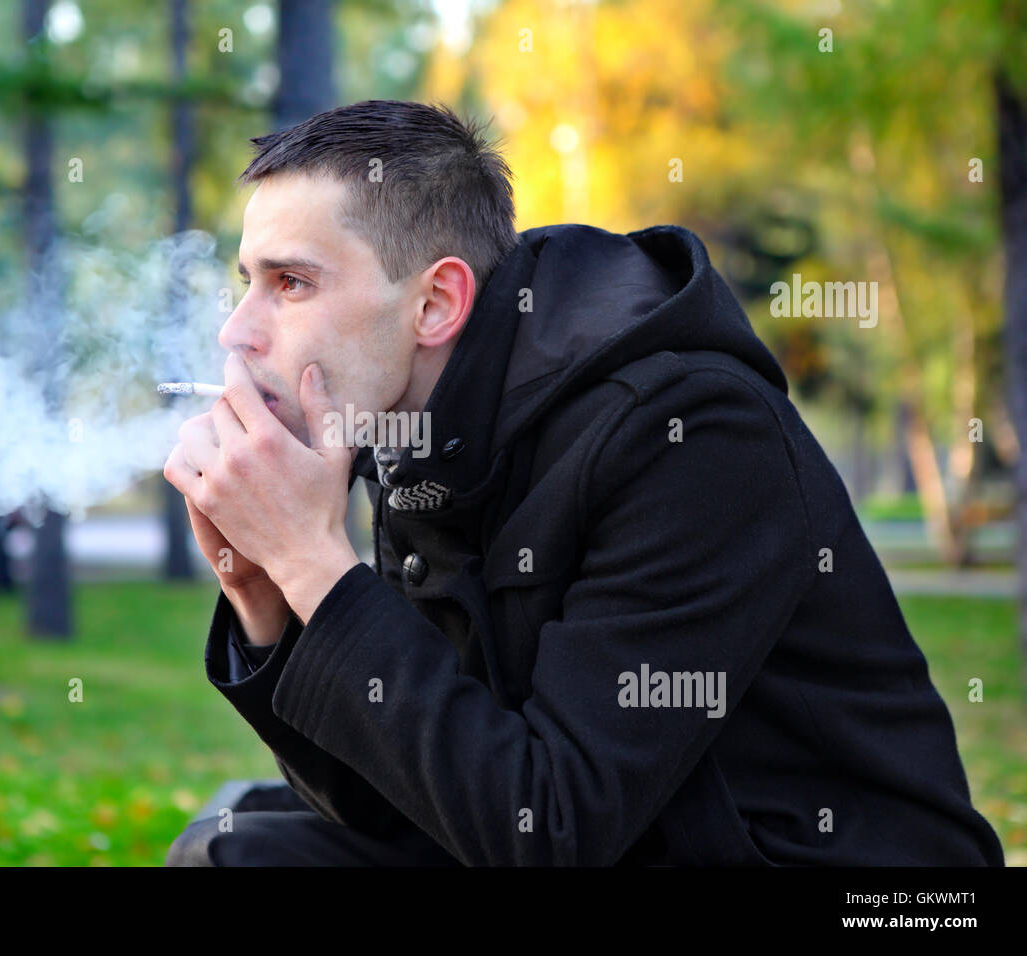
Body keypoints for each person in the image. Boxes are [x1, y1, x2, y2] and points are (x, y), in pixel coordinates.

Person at [163, 99, 1004, 867]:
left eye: (292, 283)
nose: (238, 333)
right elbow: (405, 804)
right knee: (235, 846)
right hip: (631, 841)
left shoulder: (691, 433)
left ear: (435, 304)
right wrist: (266, 599)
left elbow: (551, 831)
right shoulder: (417, 435)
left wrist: (314, 560)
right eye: (249, 283)